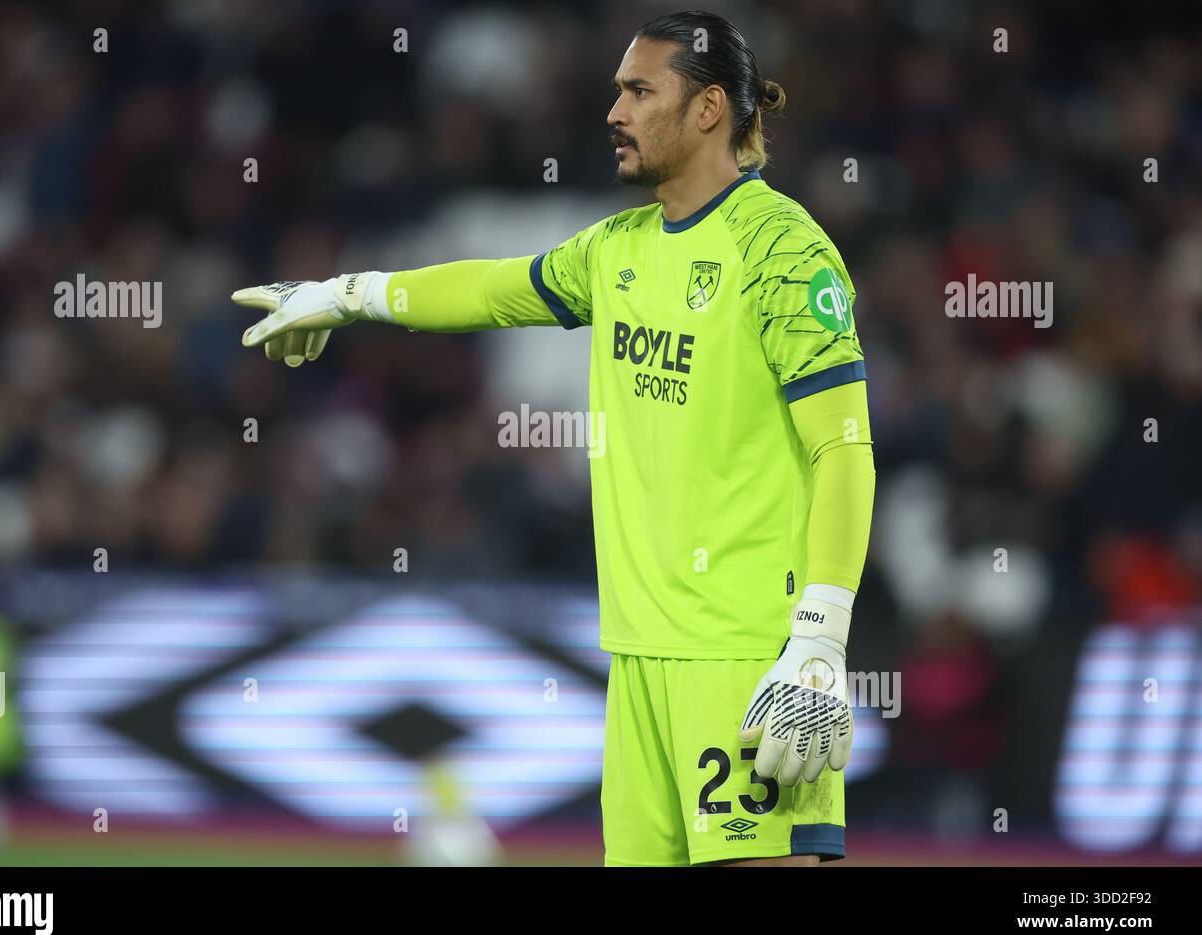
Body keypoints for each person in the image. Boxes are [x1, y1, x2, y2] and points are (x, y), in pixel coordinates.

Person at [230, 10, 875, 866]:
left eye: (641, 91)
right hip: (637, 660)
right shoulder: (620, 250)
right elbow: (494, 290)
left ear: (711, 108)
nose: (615, 111)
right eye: (616, 90)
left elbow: (844, 451)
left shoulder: (783, 252)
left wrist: (820, 640)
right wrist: (350, 294)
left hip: (746, 660)